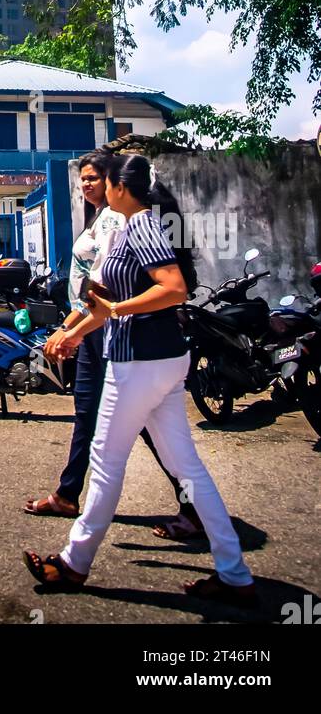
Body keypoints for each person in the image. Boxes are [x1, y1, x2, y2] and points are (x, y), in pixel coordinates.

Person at [24, 154, 256, 604]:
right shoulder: (127, 228)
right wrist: (72, 334)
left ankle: (73, 563)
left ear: (119, 186)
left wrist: (118, 312)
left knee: (108, 464)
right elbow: (105, 300)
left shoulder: (143, 225)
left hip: (140, 363)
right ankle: (235, 577)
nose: (96, 188)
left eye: (102, 180)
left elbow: (172, 289)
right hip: (159, 362)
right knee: (186, 468)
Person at [25, 152, 205, 542]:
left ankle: (192, 510)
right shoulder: (102, 218)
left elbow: (111, 288)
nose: (87, 185)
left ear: (116, 184)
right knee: (94, 415)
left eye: (94, 179)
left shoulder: (118, 221)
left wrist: (73, 327)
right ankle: (69, 496)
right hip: (97, 330)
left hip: (111, 333)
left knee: (138, 429)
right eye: (82, 180)